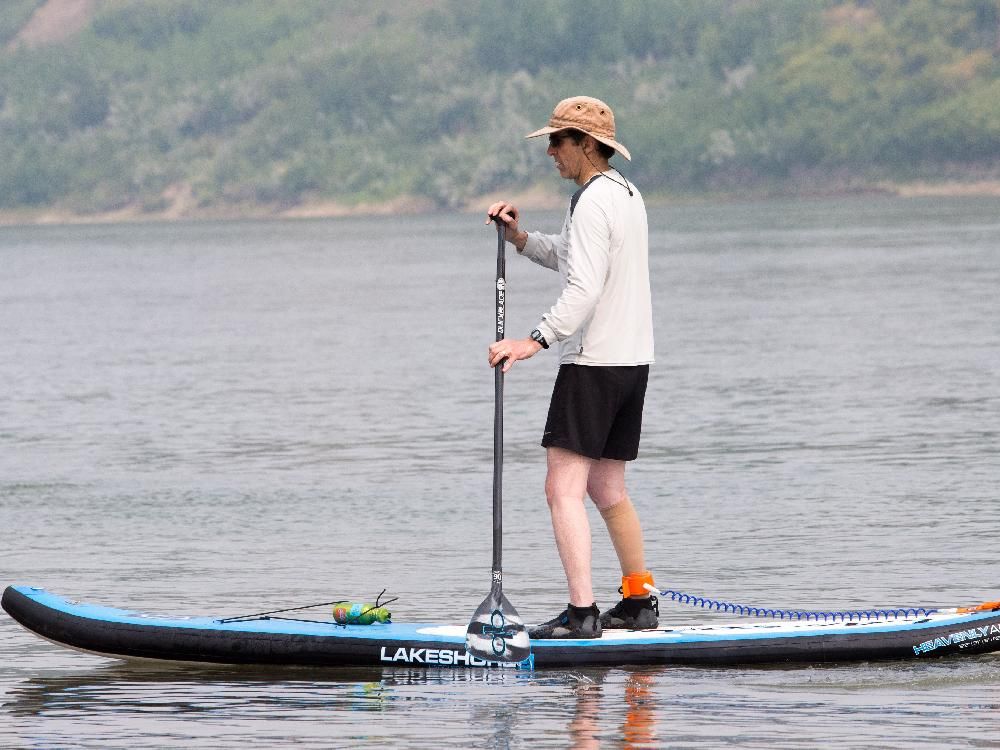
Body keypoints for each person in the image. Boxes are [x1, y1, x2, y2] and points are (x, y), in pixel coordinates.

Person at [485, 96, 657, 639]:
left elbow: (583, 288)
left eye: (558, 141)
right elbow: (572, 255)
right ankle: (638, 601)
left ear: (586, 144)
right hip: (631, 362)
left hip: (593, 363)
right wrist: (519, 239)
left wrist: (533, 341)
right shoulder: (624, 194)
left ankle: (581, 614)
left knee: (562, 489)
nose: (550, 152)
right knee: (607, 488)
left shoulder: (592, 201)